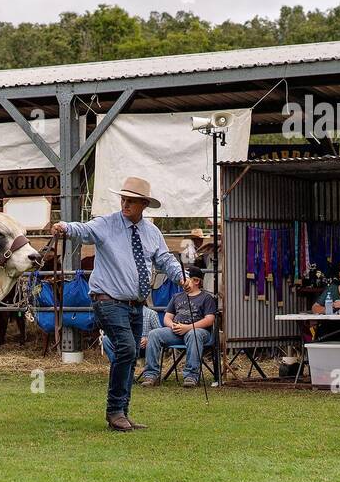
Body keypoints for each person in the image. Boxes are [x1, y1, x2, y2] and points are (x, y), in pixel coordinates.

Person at [53, 175, 189, 432]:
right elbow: (85, 229)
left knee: (130, 351)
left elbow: (165, 259)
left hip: (136, 304)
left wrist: (180, 276)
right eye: (124, 199)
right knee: (127, 348)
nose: (125, 204)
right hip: (108, 300)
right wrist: (66, 227)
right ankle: (115, 410)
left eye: (131, 201)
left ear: (143, 205)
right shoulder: (107, 224)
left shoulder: (152, 233)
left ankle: (122, 412)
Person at [140, 266, 218, 388]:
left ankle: (191, 376)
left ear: (196, 281)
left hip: (198, 332)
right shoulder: (177, 297)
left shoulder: (206, 298)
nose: (182, 282)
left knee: (194, 334)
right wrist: (173, 326)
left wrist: (188, 328)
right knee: (154, 334)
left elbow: (209, 319)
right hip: (176, 332)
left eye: (185, 279)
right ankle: (151, 375)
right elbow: (167, 318)